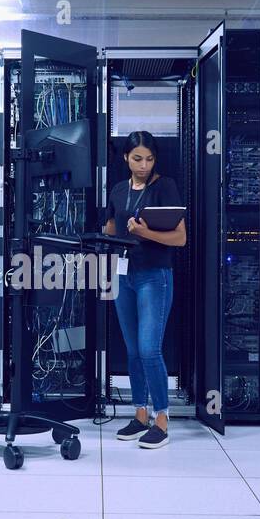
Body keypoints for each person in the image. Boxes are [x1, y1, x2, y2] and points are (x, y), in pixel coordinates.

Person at [101, 131, 186, 449]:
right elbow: (112, 226)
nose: (144, 165)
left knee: (150, 349)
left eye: (149, 159)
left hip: (154, 276)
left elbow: (180, 239)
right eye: (137, 158)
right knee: (133, 350)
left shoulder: (164, 186)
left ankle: (162, 419)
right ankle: (140, 416)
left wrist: (146, 232)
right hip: (124, 275)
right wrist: (106, 232)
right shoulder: (119, 189)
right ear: (125, 158)